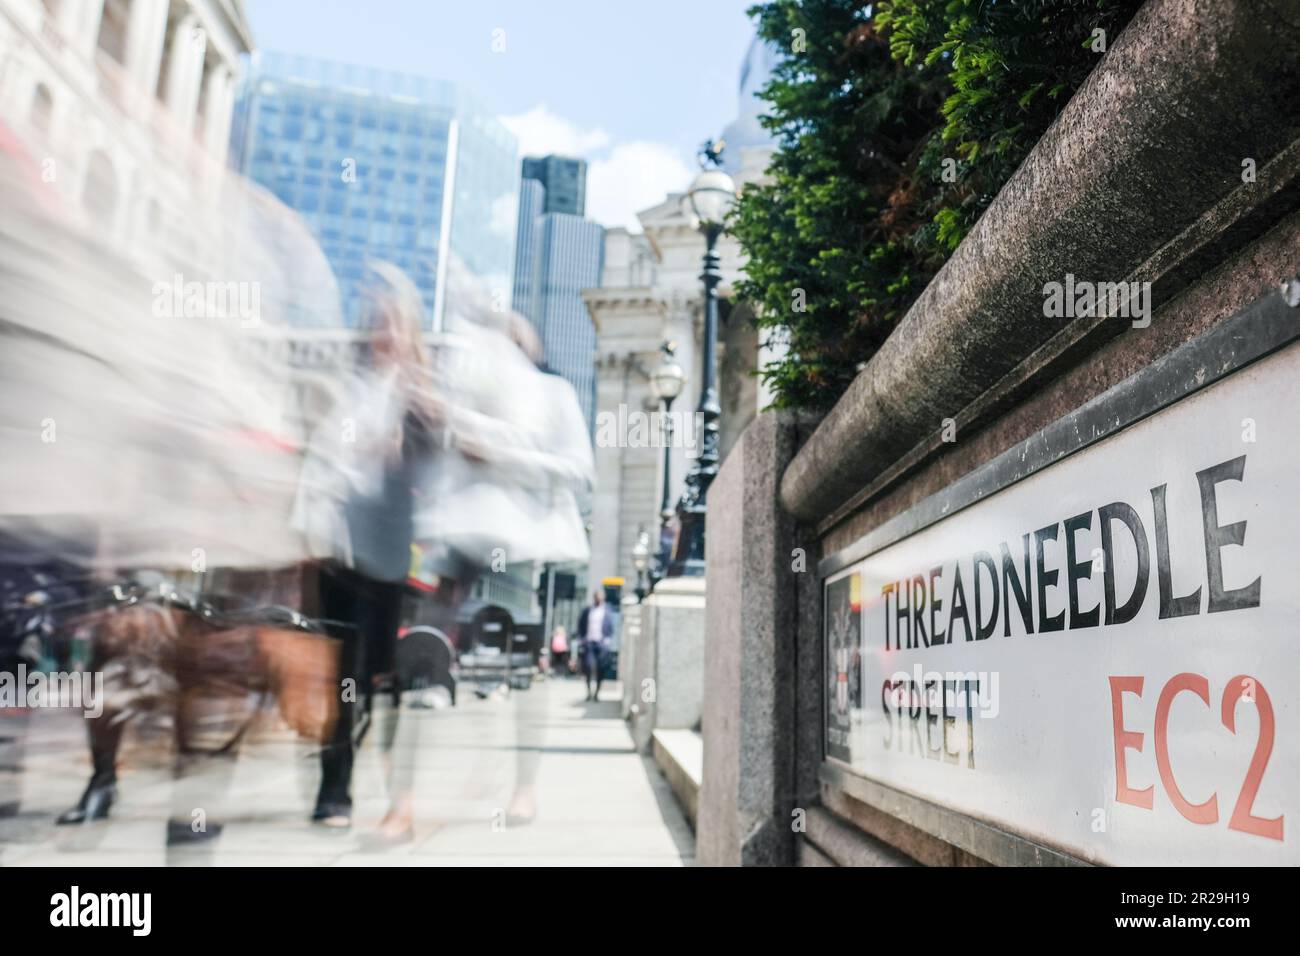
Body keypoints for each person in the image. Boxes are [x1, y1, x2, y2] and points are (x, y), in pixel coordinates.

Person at [576, 592, 613, 701]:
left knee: (600, 669)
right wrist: (582, 639)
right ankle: (588, 692)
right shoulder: (588, 610)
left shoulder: (607, 611)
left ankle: (597, 693)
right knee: (588, 666)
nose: (598, 600)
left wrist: (607, 640)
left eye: (600, 598)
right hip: (589, 643)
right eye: (597, 597)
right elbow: (581, 625)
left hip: (601, 644)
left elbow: (610, 627)